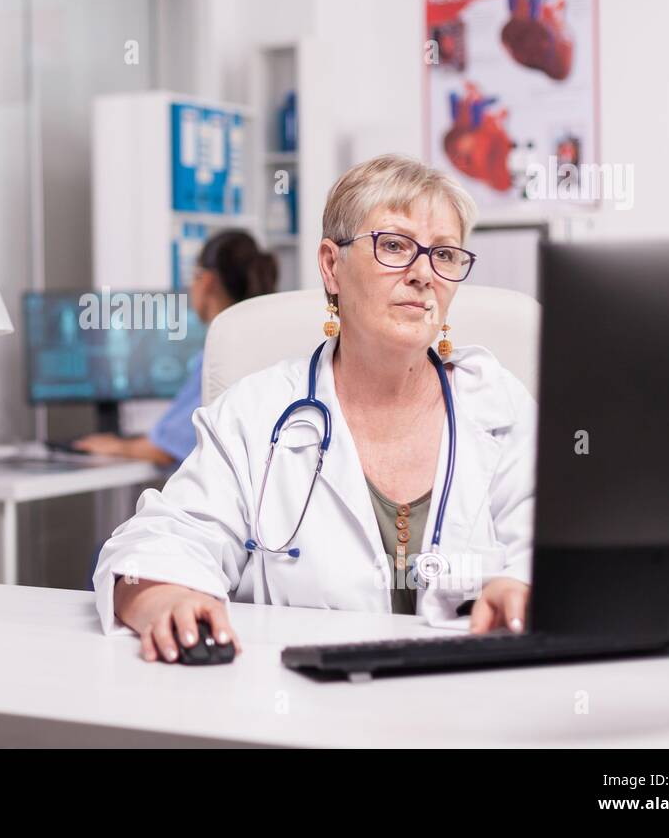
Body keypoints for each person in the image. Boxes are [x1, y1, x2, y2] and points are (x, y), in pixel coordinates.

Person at [94, 154, 536, 662]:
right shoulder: (256, 413)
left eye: (445, 255)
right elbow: (162, 542)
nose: (423, 274)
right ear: (331, 266)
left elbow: (557, 553)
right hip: (302, 714)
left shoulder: (501, 408)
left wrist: (525, 589)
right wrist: (166, 598)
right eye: (394, 245)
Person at [73, 230, 278, 466]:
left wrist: (117, 446)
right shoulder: (259, 344)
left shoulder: (221, 354)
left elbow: (169, 447)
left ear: (207, 281)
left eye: (193, 277)